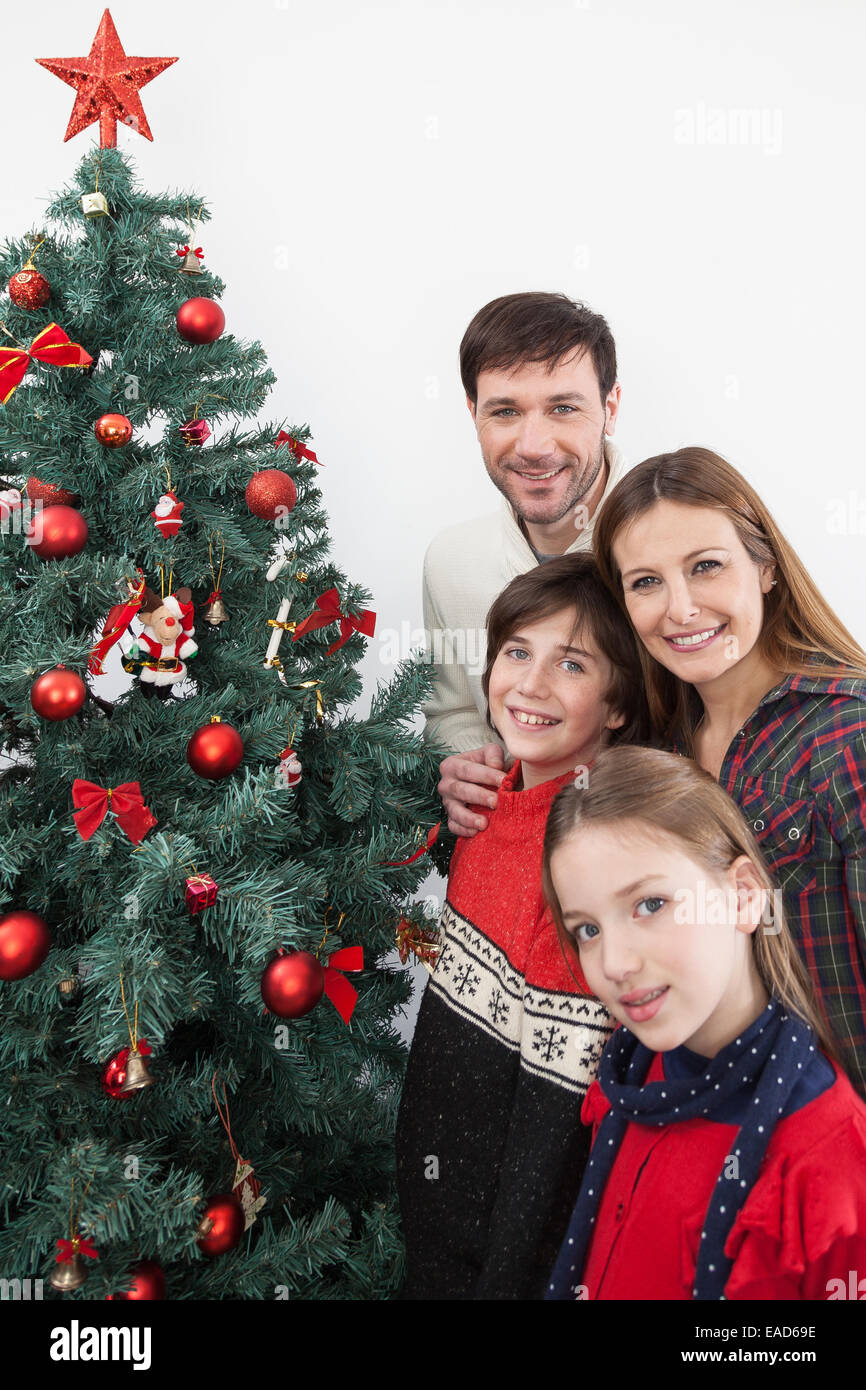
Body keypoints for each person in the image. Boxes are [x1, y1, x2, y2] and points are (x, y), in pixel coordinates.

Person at [395, 554, 651, 1299]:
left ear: (618, 705)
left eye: (572, 665)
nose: (531, 686)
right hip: (434, 1221)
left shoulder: (587, 865)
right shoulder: (485, 806)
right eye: (517, 652)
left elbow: (555, 1121)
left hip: (503, 1259)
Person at [541, 744, 866, 1301]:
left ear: (743, 896)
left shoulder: (830, 1158)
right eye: (587, 930)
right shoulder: (629, 1081)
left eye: (650, 905)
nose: (615, 964)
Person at [590, 446, 866, 1094]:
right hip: (714, 1140)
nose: (680, 609)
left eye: (706, 567)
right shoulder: (658, 755)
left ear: (765, 567)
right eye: (646, 582)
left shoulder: (848, 738)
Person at [422, 291, 627, 837]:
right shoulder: (451, 562)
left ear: (610, 408)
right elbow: (456, 712)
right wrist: (468, 765)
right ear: (473, 414)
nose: (534, 446)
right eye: (506, 411)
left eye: (563, 407)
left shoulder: (672, 548)